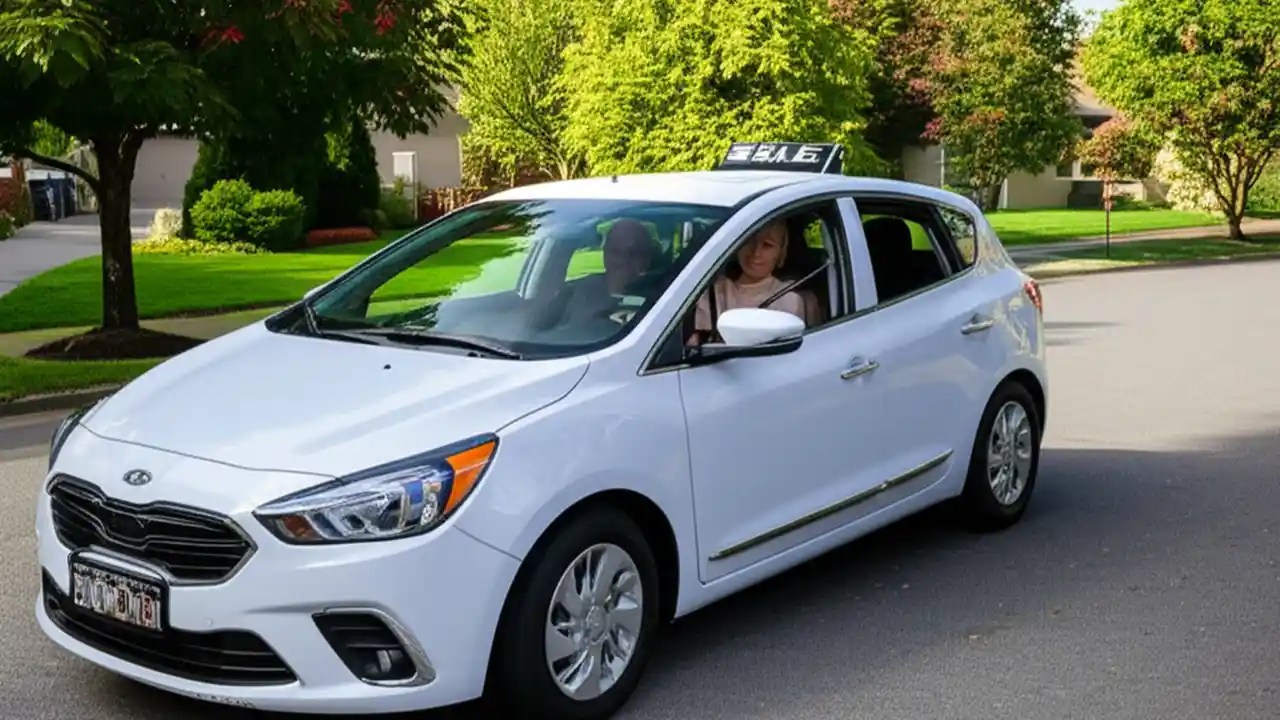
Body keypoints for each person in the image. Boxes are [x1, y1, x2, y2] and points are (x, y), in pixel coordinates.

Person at [691, 218, 806, 344]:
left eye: (767, 245)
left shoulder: (788, 299)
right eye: (749, 241)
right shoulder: (715, 291)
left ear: (780, 252)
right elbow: (697, 344)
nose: (755, 252)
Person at [559, 218, 661, 322]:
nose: (623, 259)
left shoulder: (665, 297)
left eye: (633, 253)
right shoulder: (574, 293)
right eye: (616, 251)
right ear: (605, 254)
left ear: (647, 258)